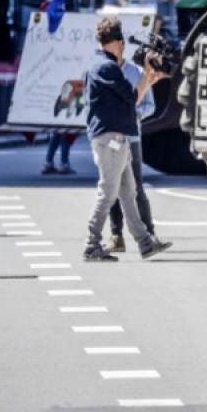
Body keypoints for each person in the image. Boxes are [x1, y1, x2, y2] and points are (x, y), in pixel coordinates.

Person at [82, 17, 172, 262]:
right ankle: (91, 245)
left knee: (128, 192)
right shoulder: (106, 67)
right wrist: (146, 72)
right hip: (110, 138)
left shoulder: (101, 64)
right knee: (108, 193)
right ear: (120, 43)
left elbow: (131, 98)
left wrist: (149, 77)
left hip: (117, 138)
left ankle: (145, 243)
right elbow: (133, 97)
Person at [107, 50, 160, 253]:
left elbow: (150, 105)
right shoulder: (103, 71)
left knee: (136, 186)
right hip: (110, 137)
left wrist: (137, 113)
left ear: (121, 46)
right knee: (112, 186)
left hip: (132, 137)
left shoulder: (137, 72)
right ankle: (116, 235)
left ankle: (150, 233)